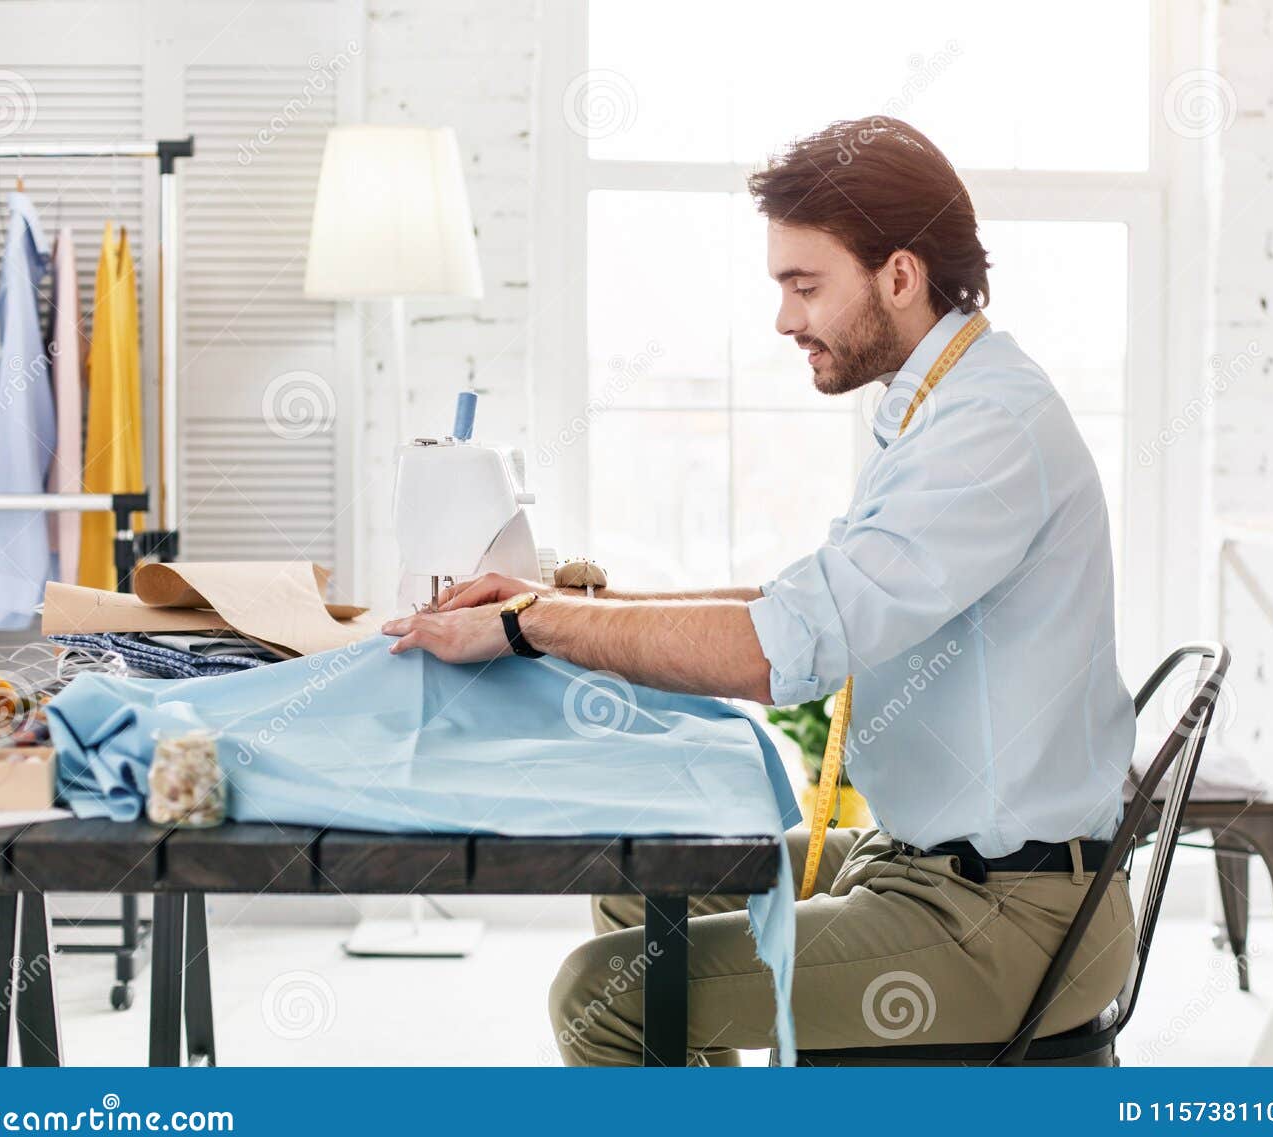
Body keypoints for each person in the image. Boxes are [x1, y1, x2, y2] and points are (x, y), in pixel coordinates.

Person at [382, 117, 1138, 1065]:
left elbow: (785, 647)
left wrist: (536, 626)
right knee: (637, 881)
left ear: (899, 276)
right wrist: (567, 605)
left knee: (600, 998)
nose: (785, 319)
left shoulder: (984, 430)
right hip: (922, 864)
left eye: (805, 285)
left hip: (1011, 919)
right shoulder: (938, 400)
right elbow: (803, 598)